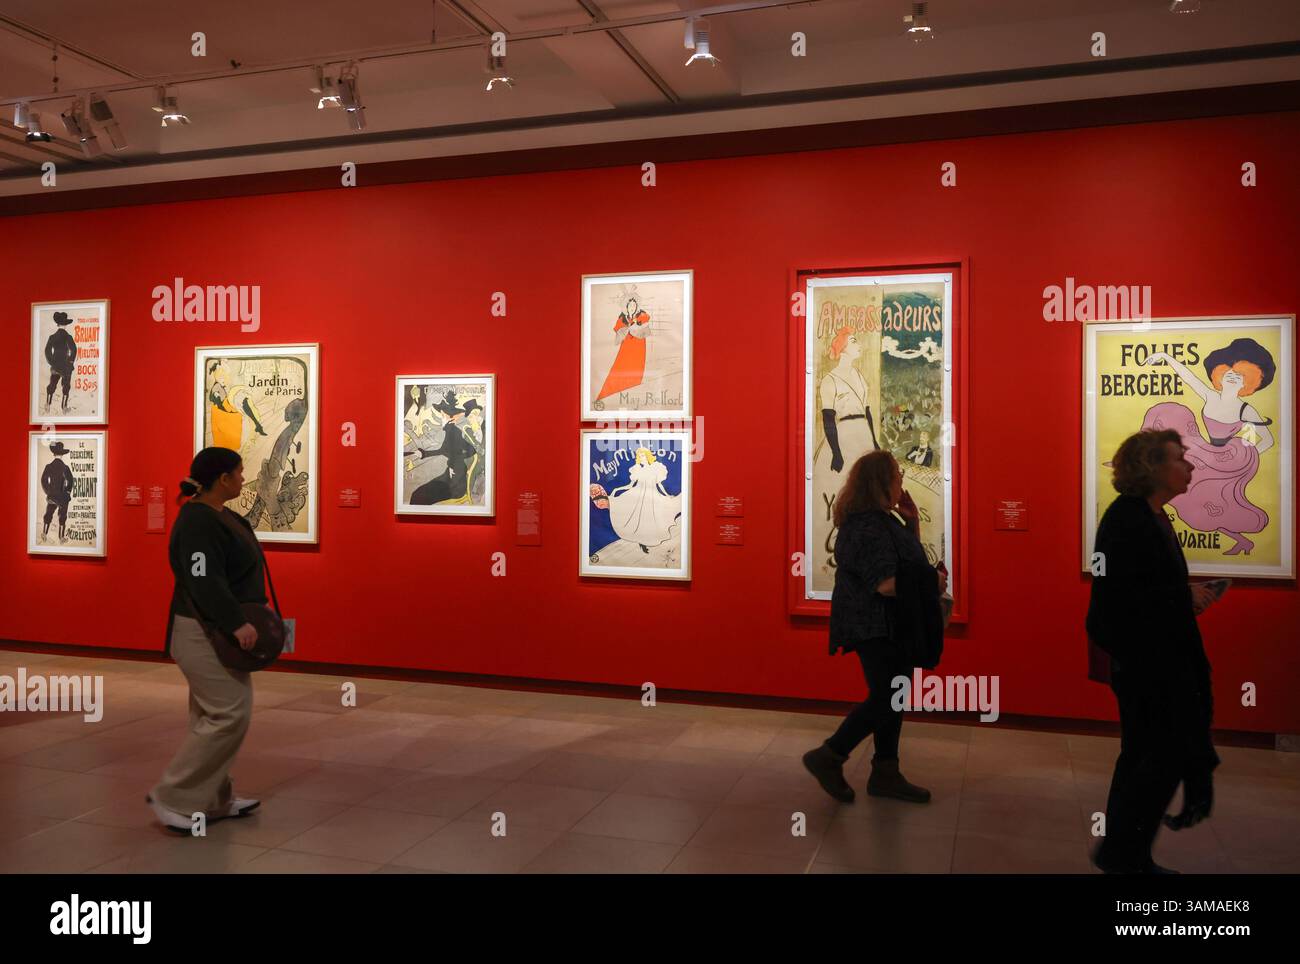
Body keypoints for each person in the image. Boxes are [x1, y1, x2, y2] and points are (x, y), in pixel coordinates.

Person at [1086, 429, 1220, 874]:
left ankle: (1123, 851)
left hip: (1152, 661)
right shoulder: (1130, 519)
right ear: (1152, 467)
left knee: (1143, 755)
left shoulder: (1145, 516)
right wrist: (1184, 599)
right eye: (1180, 459)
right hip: (1149, 665)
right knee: (1156, 758)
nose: (1190, 466)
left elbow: (1140, 587)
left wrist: (1183, 595)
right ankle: (1125, 852)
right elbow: (1124, 596)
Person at [803, 450, 946, 804]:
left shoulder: (883, 520)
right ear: (880, 483)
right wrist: (934, 585)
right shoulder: (866, 526)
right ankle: (829, 755)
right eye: (897, 476)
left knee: (892, 697)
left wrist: (912, 525)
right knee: (886, 698)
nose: (902, 482)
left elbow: (906, 565)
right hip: (874, 625)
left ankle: (885, 772)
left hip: (890, 624)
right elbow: (886, 583)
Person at [148, 447, 265, 833]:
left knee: (208, 714)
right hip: (201, 630)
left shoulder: (220, 515)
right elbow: (204, 581)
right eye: (239, 473)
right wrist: (236, 623)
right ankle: (173, 795)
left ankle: (214, 799)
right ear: (223, 480)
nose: (243, 479)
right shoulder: (198, 521)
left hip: (214, 629)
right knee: (231, 710)